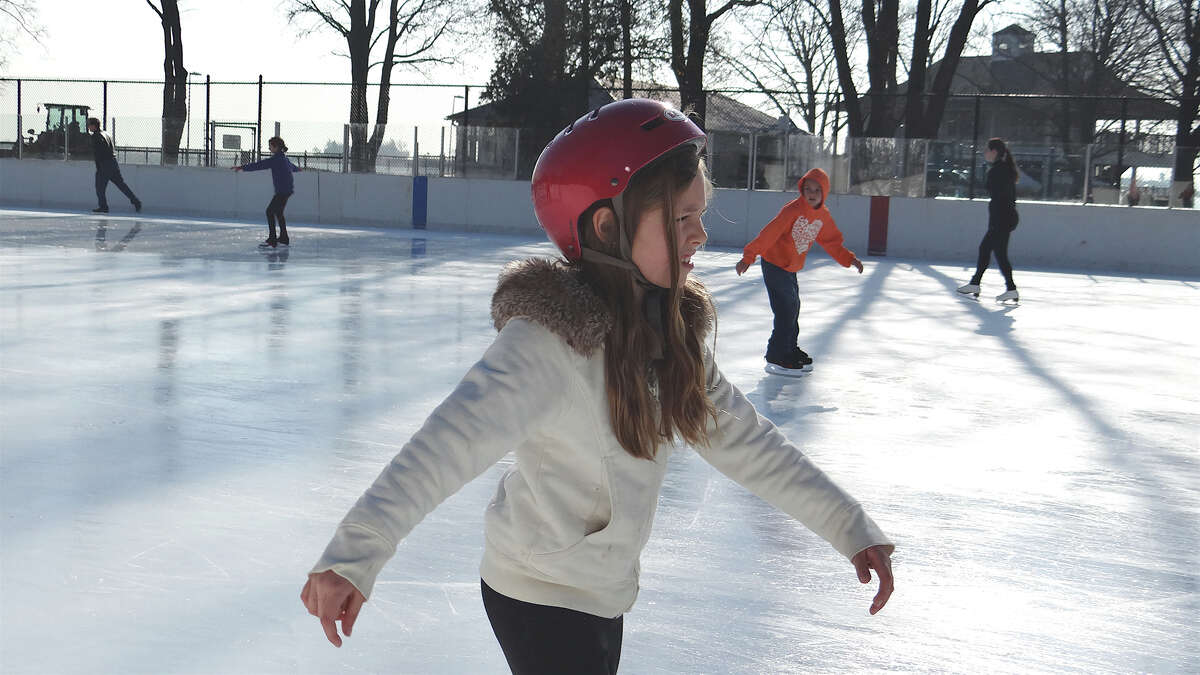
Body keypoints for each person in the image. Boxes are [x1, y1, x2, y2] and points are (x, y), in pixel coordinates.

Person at [300, 99, 895, 674]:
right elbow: (445, 445)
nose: (700, 236)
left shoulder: (670, 335)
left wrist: (849, 524)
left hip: (602, 591)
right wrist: (355, 555)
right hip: (540, 594)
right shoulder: (549, 343)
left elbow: (747, 442)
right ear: (608, 225)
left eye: (701, 216)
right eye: (681, 218)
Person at [734, 168, 863, 376]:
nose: (811, 193)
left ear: (825, 192)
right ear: (802, 189)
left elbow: (832, 242)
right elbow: (770, 233)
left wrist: (849, 259)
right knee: (786, 309)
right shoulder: (792, 211)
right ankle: (777, 354)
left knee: (793, 308)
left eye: (817, 190)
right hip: (774, 263)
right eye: (808, 189)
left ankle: (789, 348)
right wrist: (749, 256)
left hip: (790, 267)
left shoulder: (822, 216)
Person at [958, 138, 1020, 303]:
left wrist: (997, 219)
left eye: (987, 150)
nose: (985, 153)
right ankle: (1011, 289)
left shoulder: (998, 170)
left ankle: (975, 283)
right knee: (1000, 254)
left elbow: (998, 195)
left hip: (1001, 218)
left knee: (985, 248)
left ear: (994, 152)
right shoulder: (1004, 169)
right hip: (1006, 217)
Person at [234, 136, 300, 248]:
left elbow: (259, 165)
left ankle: (272, 240)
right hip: (287, 190)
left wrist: (242, 167)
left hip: (282, 191)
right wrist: (298, 169)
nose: (269, 148)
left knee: (270, 212)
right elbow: (292, 167)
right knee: (278, 213)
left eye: (270, 146)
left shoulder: (276, 159)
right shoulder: (284, 159)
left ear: (276, 147)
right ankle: (284, 238)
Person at [86, 118, 141, 214]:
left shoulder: (96, 136)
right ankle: (135, 201)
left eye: (89, 124)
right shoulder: (106, 134)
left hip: (104, 164)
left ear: (94, 125)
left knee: (99, 187)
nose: (88, 126)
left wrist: (99, 166)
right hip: (113, 162)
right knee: (121, 184)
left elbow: (98, 152)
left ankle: (103, 206)